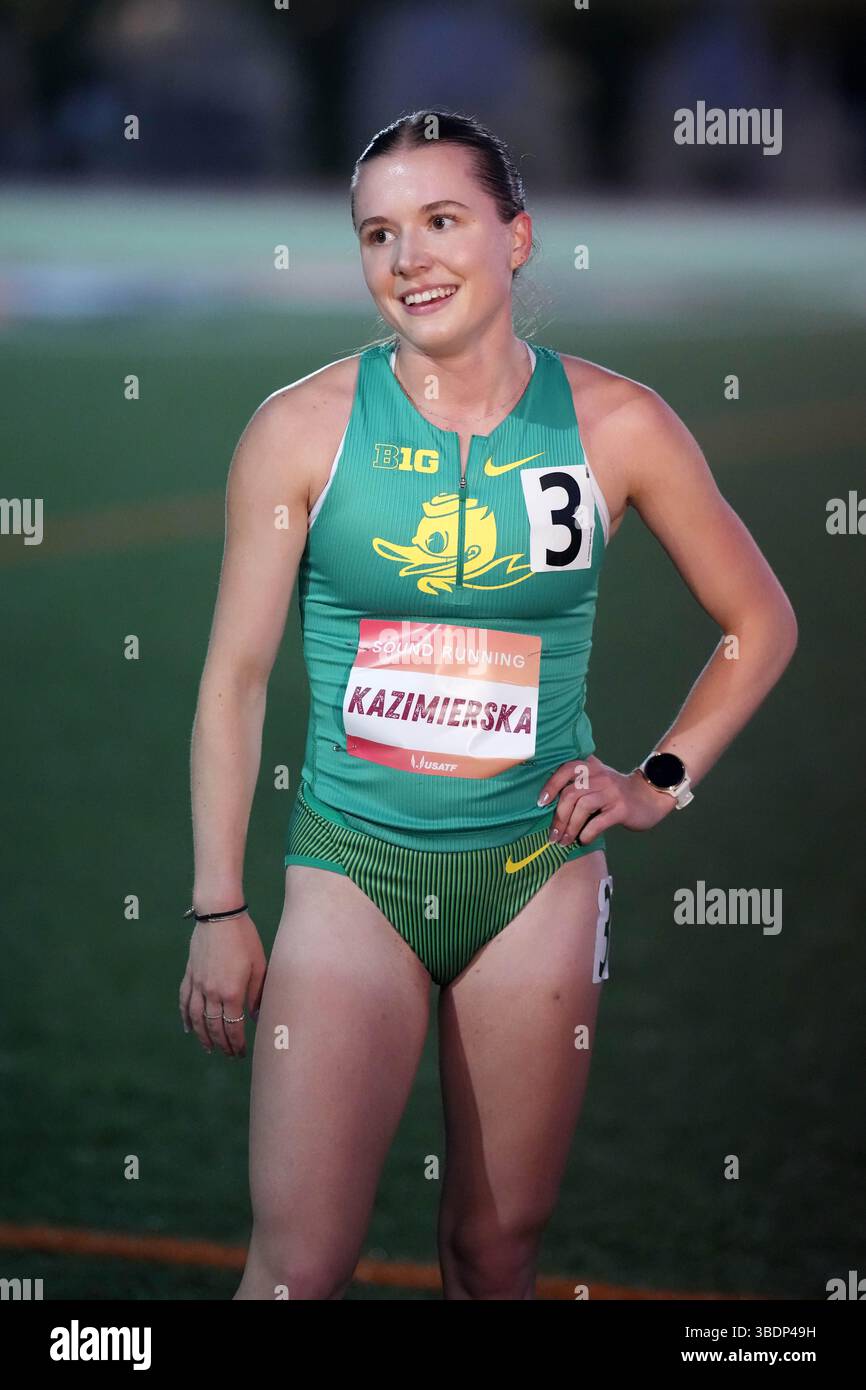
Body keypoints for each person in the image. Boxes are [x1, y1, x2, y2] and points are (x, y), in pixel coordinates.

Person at [179, 110, 797, 1300]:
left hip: (536, 876)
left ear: (515, 239)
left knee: (493, 1251)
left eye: (441, 221)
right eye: (376, 234)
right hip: (350, 869)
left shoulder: (618, 424)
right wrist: (218, 903)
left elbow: (757, 620)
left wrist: (659, 781)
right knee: (297, 1266)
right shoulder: (300, 429)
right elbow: (233, 678)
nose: (406, 258)